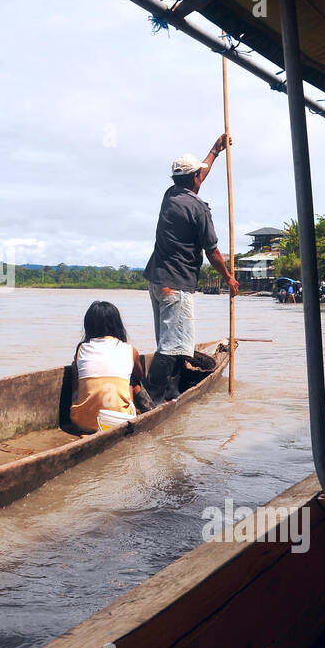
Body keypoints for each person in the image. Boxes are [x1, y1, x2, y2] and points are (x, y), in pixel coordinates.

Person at [143, 135, 238, 401]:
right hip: (176, 285)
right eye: (199, 174)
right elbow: (213, 252)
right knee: (173, 346)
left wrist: (214, 151)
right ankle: (150, 399)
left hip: (156, 281)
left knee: (173, 344)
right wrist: (229, 279)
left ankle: (171, 392)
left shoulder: (170, 195)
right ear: (195, 179)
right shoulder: (198, 209)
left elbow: (197, 176)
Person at [68, 301, 151, 433]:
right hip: (121, 421)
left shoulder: (81, 348)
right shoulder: (130, 350)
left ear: (88, 325)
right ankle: (150, 410)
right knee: (132, 380)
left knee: (77, 371)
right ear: (117, 324)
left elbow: (76, 384)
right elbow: (139, 376)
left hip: (82, 422)